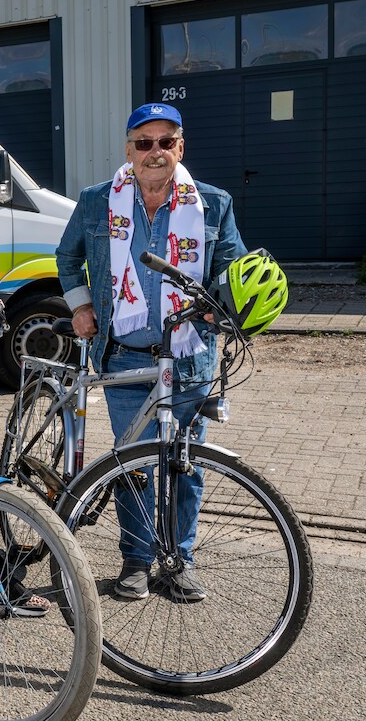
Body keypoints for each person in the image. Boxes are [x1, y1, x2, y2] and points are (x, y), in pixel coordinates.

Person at [56, 102, 246, 603]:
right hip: (125, 355)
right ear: (129, 150)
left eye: (166, 142)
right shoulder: (97, 201)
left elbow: (232, 267)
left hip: (189, 358)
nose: (155, 152)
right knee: (133, 466)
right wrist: (81, 306)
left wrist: (224, 305)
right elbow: (67, 256)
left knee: (185, 463)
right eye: (144, 143)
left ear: (180, 147)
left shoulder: (213, 203)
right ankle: (137, 561)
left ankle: (179, 561)